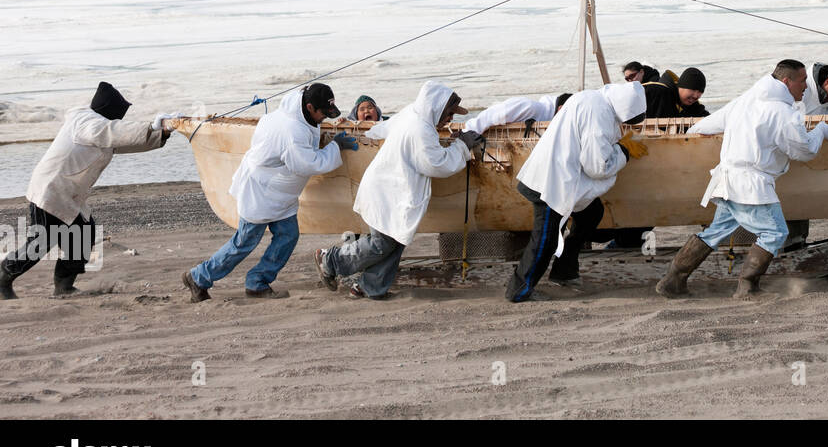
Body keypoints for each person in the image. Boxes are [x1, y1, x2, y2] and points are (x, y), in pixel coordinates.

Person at [656, 60, 828, 300]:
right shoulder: (783, 112)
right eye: (802, 81)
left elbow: (703, 126)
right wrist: (820, 131)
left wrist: (688, 139)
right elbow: (803, 151)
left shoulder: (746, 99)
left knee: (717, 231)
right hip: (751, 184)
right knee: (775, 232)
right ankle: (748, 286)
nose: (806, 86)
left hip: (726, 179)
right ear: (787, 81)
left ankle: (673, 280)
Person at [182, 82, 355, 302]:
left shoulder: (298, 114)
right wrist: (335, 147)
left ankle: (257, 282)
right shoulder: (291, 130)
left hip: (279, 193)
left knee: (288, 236)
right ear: (310, 107)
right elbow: (307, 164)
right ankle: (198, 277)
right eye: (323, 113)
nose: (325, 118)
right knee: (244, 243)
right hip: (261, 192)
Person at [1, 82, 167, 299]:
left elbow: (121, 142)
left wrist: (162, 133)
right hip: (50, 190)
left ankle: (64, 286)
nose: (119, 120)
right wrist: (151, 127)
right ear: (109, 111)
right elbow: (113, 132)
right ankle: (4, 276)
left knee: (82, 233)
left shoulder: (97, 128)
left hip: (68, 193)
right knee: (41, 242)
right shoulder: (89, 124)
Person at [315, 81, 478, 299]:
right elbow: (437, 165)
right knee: (381, 242)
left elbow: (382, 129)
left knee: (396, 239)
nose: (451, 119)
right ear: (437, 108)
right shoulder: (421, 130)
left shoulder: (413, 113)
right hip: (387, 191)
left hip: (391, 188)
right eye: (449, 113)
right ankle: (330, 259)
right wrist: (462, 146)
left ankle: (368, 286)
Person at [506, 82, 647, 302]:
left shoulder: (593, 98)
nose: (626, 124)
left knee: (592, 213)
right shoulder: (599, 113)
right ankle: (519, 290)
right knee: (546, 238)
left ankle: (565, 271)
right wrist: (623, 152)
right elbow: (597, 166)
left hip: (554, 173)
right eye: (629, 121)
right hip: (550, 182)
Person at [462, 92, 571, 136]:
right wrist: (468, 133)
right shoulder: (531, 107)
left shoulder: (548, 117)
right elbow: (494, 114)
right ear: (560, 109)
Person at [643, 66, 709, 119]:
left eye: (700, 91)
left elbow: (708, 119)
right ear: (681, 86)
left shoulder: (694, 107)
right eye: (693, 89)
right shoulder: (658, 92)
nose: (696, 96)